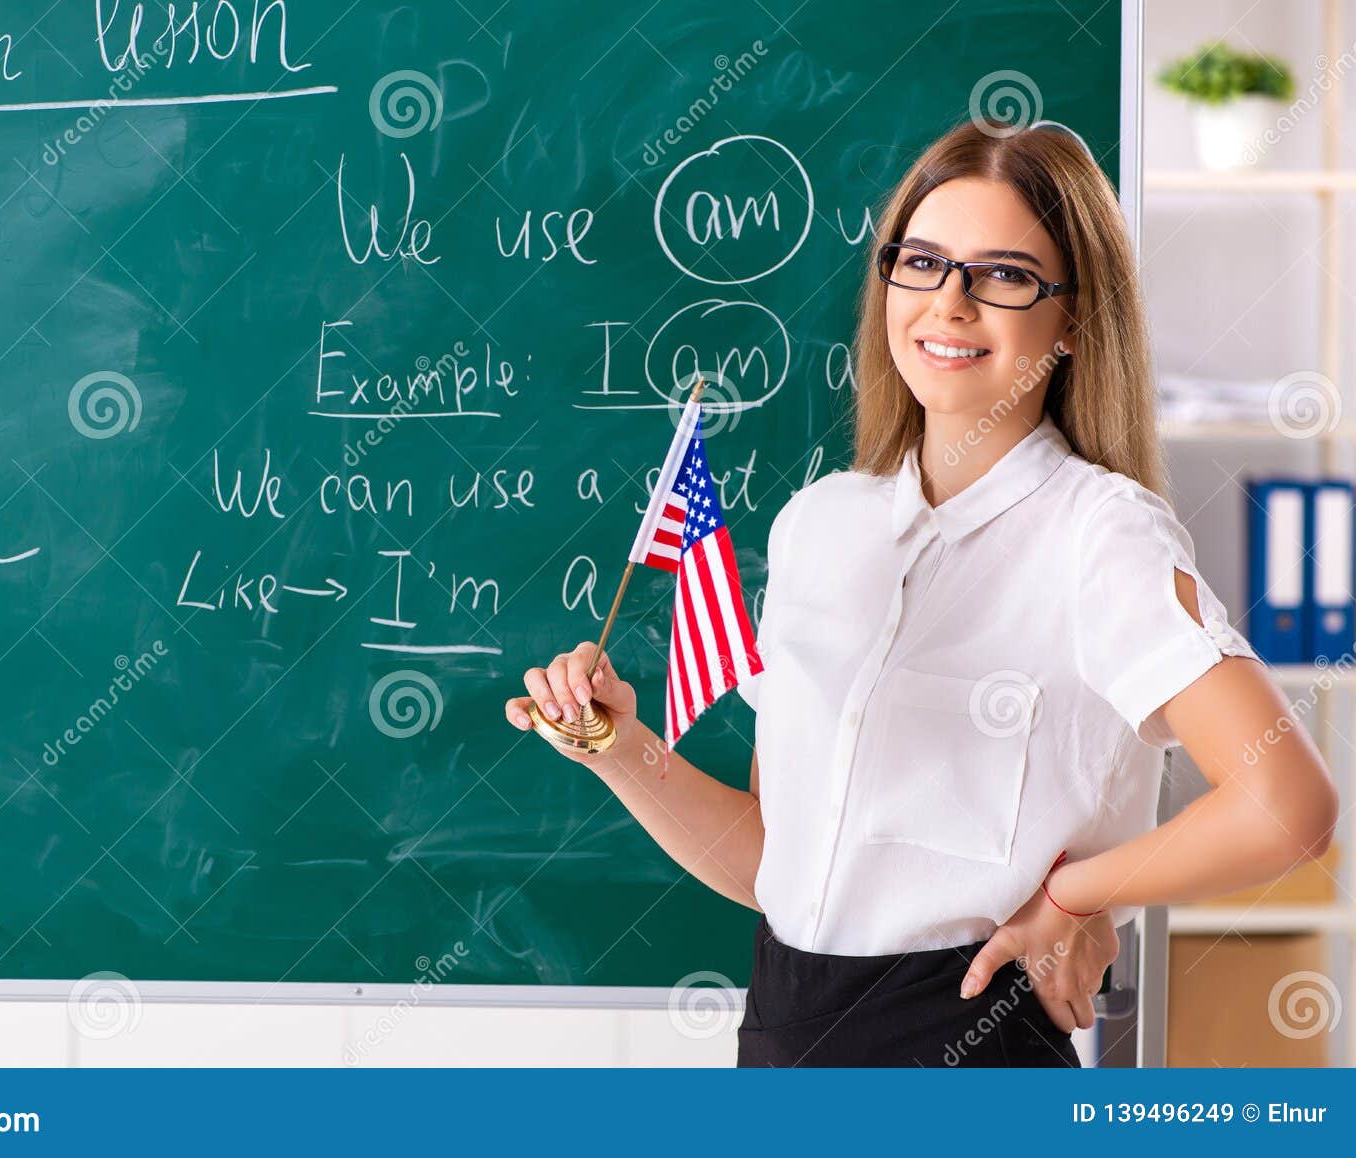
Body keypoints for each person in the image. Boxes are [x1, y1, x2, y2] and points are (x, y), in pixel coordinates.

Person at [504, 115, 1340, 1067]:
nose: (950, 303)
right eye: (923, 262)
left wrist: (1076, 896)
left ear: (1070, 321)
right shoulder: (820, 524)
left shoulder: (1099, 534)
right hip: (780, 1037)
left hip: (969, 1043)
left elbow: (1287, 803)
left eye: (1004, 275)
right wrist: (618, 746)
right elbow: (774, 862)